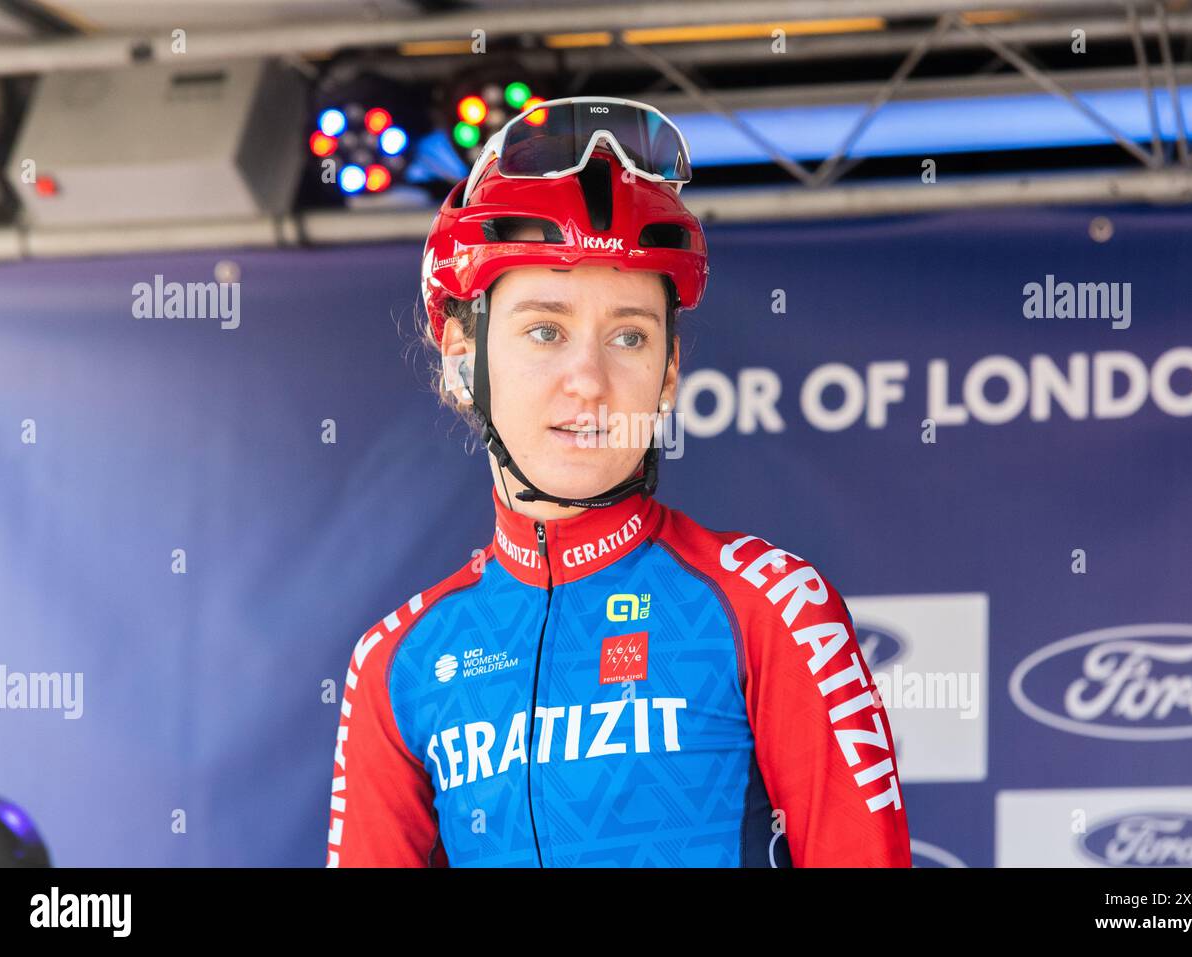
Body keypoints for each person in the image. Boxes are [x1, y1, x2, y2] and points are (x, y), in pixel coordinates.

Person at [326, 97, 911, 867]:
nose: (589, 380)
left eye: (629, 335)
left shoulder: (771, 607)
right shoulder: (396, 662)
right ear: (460, 355)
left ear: (668, 373)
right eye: (545, 329)